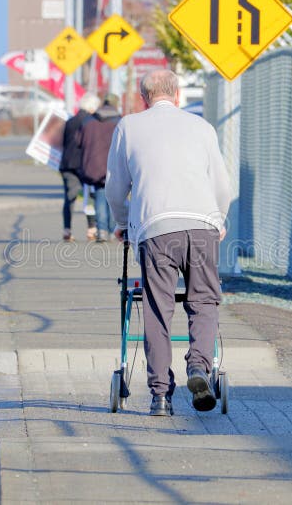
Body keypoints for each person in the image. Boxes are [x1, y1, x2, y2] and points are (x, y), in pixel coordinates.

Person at [105, 70, 232, 416]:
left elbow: (116, 187)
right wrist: (218, 220)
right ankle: (199, 368)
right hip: (202, 226)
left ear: (144, 98)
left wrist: (121, 224)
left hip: (155, 227)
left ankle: (161, 395)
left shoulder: (129, 127)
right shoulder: (202, 129)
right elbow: (221, 185)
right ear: (177, 96)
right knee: (204, 300)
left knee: (158, 309)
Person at [77, 93, 123, 242]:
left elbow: (79, 141)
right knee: (113, 197)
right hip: (114, 166)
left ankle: (102, 230)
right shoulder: (120, 122)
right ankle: (110, 230)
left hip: (94, 165)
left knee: (100, 195)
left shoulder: (88, 121)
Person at [60, 92, 101, 242]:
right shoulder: (91, 122)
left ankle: (67, 230)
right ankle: (91, 229)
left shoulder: (70, 121)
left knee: (69, 198)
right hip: (85, 165)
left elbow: (64, 143)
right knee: (89, 197)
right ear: (92, 107)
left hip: (67, 165)